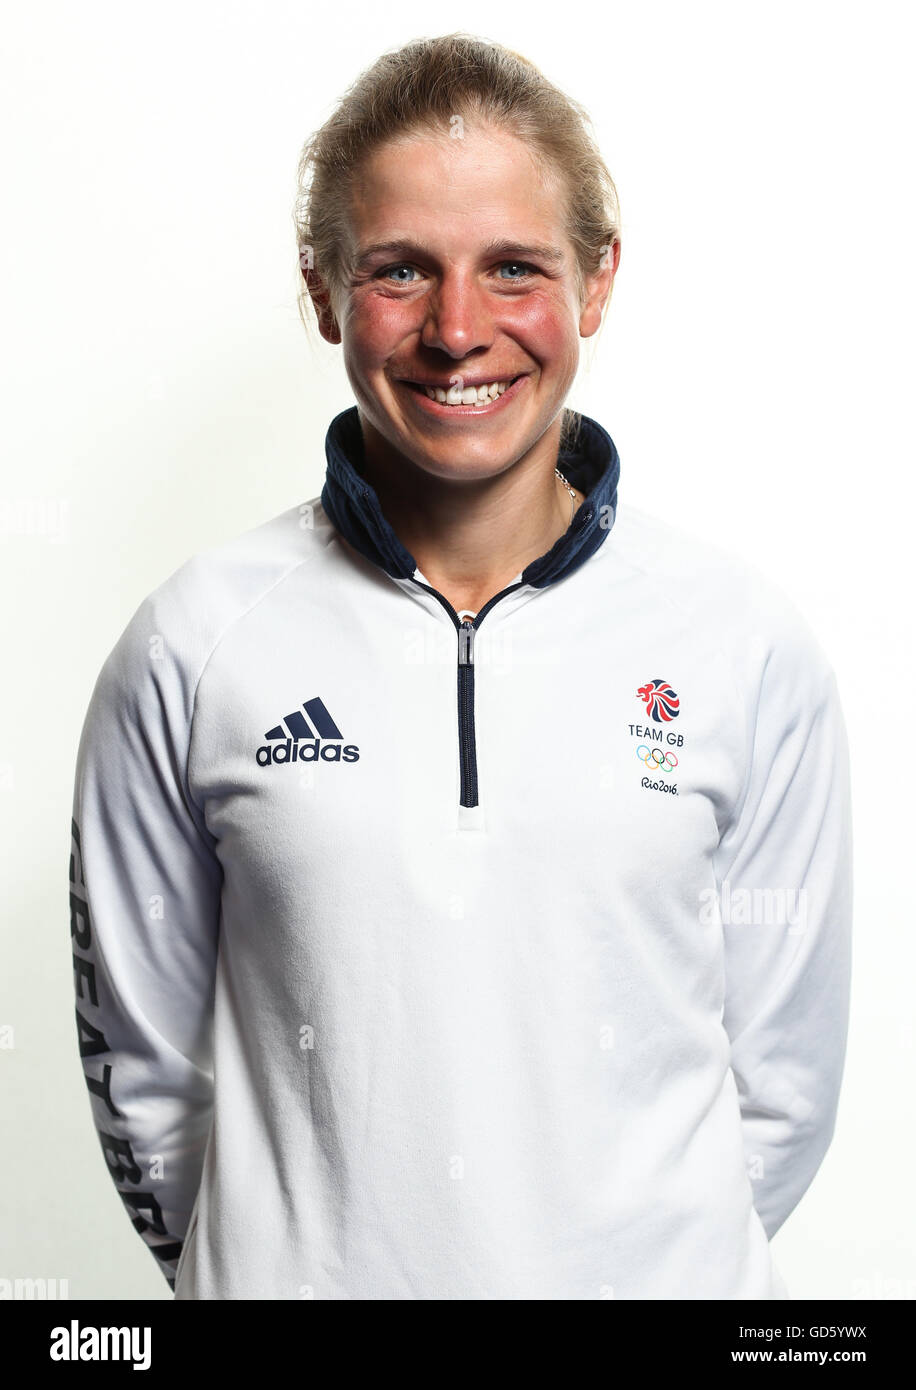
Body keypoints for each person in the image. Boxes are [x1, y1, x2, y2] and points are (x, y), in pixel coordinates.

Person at [69, 33, 853, 1300]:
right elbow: (141, 1076)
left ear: (595, 285)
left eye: (512, 269)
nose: (456, 328)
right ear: (323, 290)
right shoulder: (192, 644)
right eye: (398, 271)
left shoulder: (741, 644)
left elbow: (784, 1085)